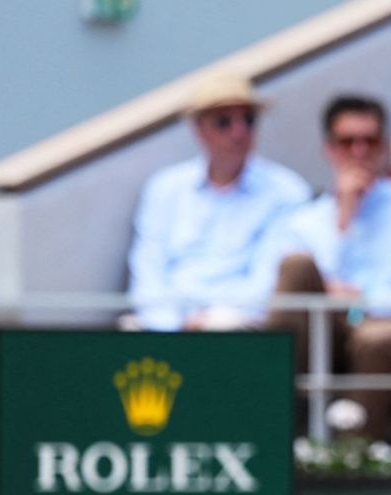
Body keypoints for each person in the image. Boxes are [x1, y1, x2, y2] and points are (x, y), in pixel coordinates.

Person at [264, 95, 391, 441]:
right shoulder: (303, 220)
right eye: (347, 142)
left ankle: (354, 452)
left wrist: (366, 299)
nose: (359, 152)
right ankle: (275, 425)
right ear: (329, 148)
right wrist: (344, 220)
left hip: (390, 326)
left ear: (385, 145)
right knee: (296, 267)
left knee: (379, 338)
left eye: (370, 141)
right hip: (322, 333)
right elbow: (295, 294)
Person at [127, 71, 312, 331]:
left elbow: (267, 281)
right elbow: (147, 269)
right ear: (199, 129)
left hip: (242, 326)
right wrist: (173, 324)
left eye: (249, 120)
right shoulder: (165, 188)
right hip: (167, 324)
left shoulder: (286, 190)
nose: (239, 132)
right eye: (224, 122)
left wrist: (211, 320)